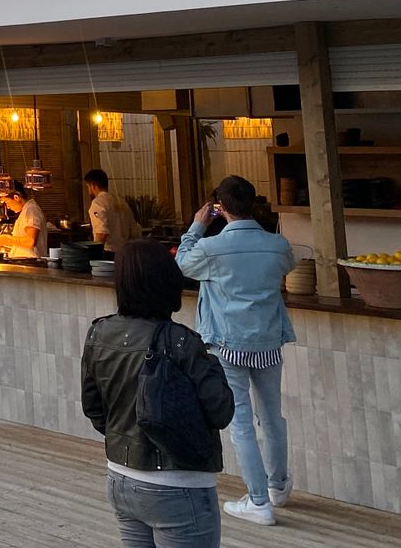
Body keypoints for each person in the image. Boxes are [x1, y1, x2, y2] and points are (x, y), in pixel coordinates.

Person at [82, 239, 235, 548]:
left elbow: (94, 409)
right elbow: (222, 411)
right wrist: (214, 363)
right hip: (179, 484)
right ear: (169, 283)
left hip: (121, 478)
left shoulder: (99, 332)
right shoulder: (183, 342)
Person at [176, 175, 297, 526]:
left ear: (220, 207)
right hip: (269, 340)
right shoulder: (278, 245)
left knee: (241, 422)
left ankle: (259, 501)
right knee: (272, 417)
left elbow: (182, 264)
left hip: (229, 342)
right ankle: (278, 487)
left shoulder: (212, 249)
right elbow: (287, 265)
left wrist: (196, 227)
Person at [86, 169, 140, 254]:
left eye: (88, 186)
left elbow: (101, 233)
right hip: (127, 252)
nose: (88, 190)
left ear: (93, 186)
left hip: (110, 253)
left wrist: (95, 254)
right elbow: (134, 229)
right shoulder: (121, 201)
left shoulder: (98, 203)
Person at [0, 179, 48, 261]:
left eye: (6, 202)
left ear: (16, 197)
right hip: (23, 263)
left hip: (31, 263)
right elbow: (21, 245)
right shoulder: (25, 211)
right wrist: (1, 241)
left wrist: (8, 239)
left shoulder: (31, 210)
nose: (7, 207)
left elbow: (30, 241)